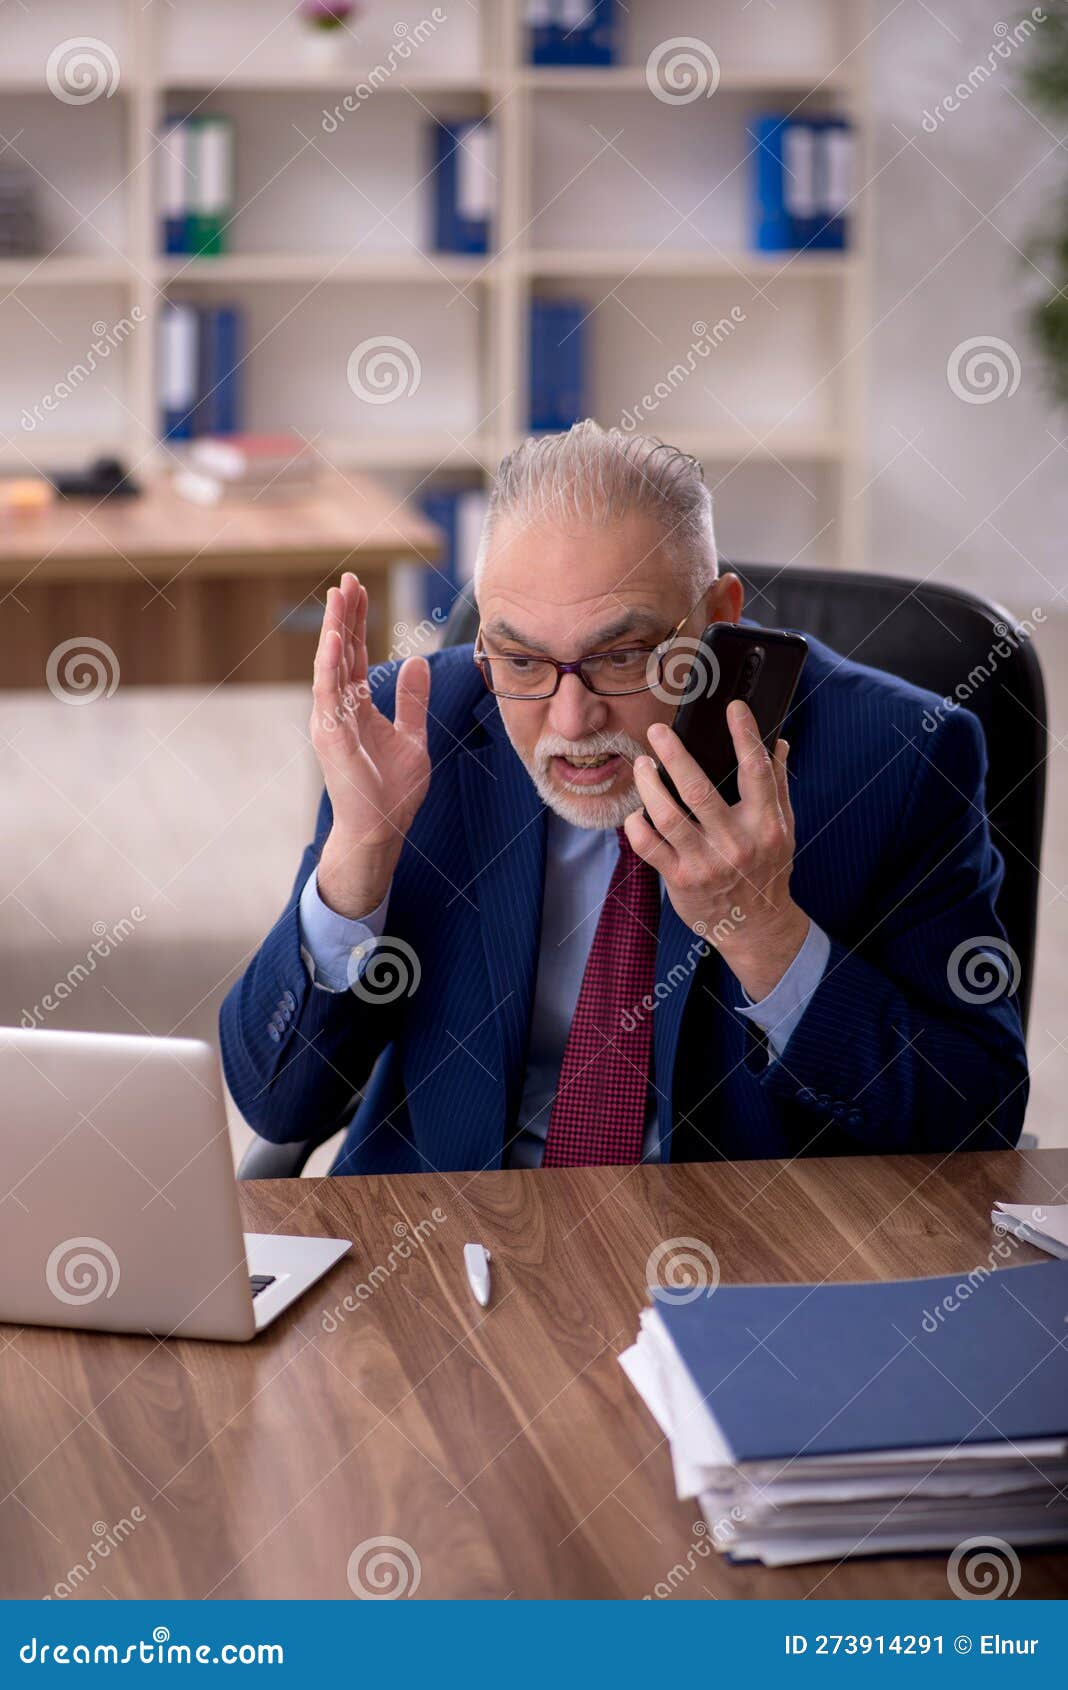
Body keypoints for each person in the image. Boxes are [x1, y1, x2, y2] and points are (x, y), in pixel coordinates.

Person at [220, 421, 1028, 1173]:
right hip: (447, 1247)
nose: (571, 721)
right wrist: (356, 859)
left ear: (719, 618)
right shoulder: (416, 733)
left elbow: (977, 1121)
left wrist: (768, 938)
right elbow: (279, 1101)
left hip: (740, 1273)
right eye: (524, 662)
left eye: (623, 657)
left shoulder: (900, 756)